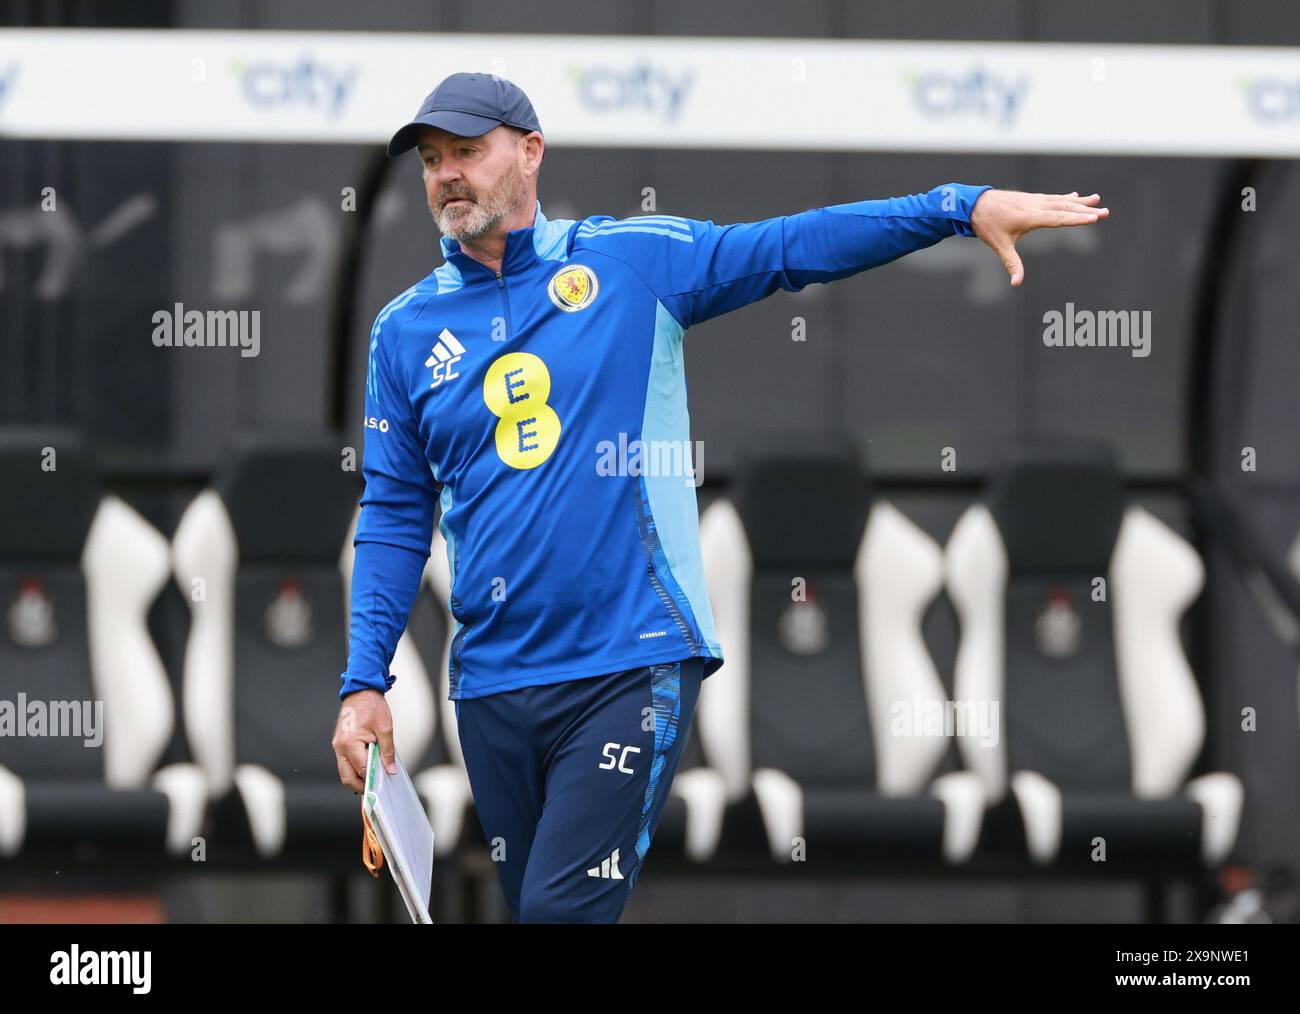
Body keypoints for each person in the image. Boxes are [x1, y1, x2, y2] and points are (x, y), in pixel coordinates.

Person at [331, 71, 1109, 923]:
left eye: (468, 153)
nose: (447, 174)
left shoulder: (631, 262)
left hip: (630, 663)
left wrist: (958, 205)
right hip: (490, 685)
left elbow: (791, 248)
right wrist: (365, 680)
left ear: (530, 152)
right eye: (433, 159)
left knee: (556, 917)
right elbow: (395, 513)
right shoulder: (403, 330)